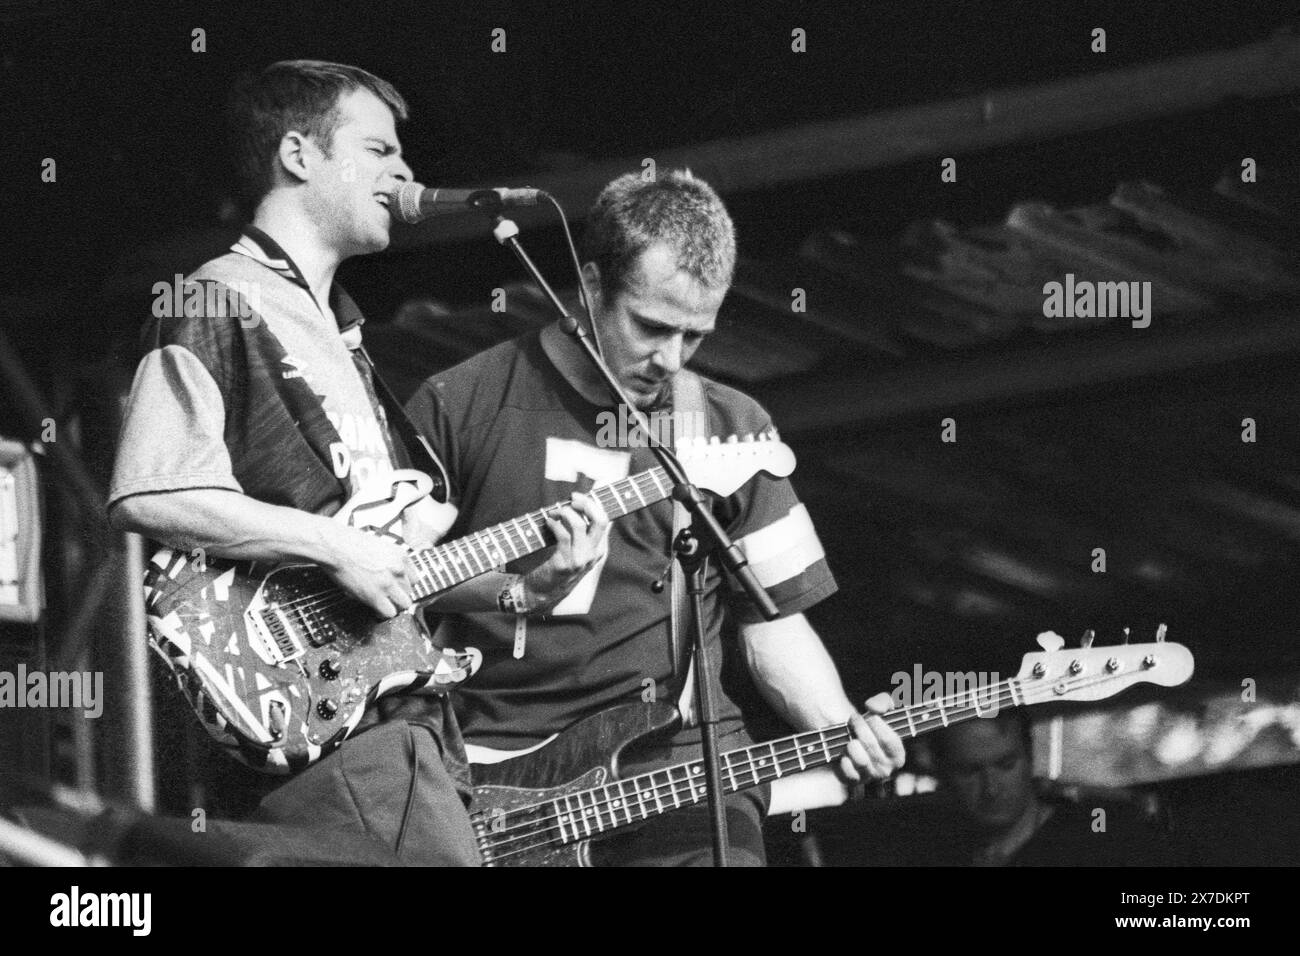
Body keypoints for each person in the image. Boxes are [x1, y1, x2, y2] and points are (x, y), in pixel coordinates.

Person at [106, 60, 607, 865]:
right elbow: (152, 489)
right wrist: (335, 546)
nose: (404, 171)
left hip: (404, 728)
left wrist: (522, 588)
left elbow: (395, 563)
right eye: (378, 149)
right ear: (299, 155)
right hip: (333, 728)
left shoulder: (341, 335)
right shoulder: (218, 298)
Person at [406, 170, 905, 866]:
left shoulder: (731, 427)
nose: (669, 359)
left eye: (694, 336)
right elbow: (389, 588)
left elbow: (774, 621)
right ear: (588, 284)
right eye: (650, 326)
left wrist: (840, 723)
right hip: (493, 779)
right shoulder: (458, 404)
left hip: (679, 764)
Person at [929, 710, 1185, 866]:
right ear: (944, 774)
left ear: (1030, 758)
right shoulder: (932, 848)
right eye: (970, 772)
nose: (991, 788)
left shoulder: (1099, 837)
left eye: (1006, 765)